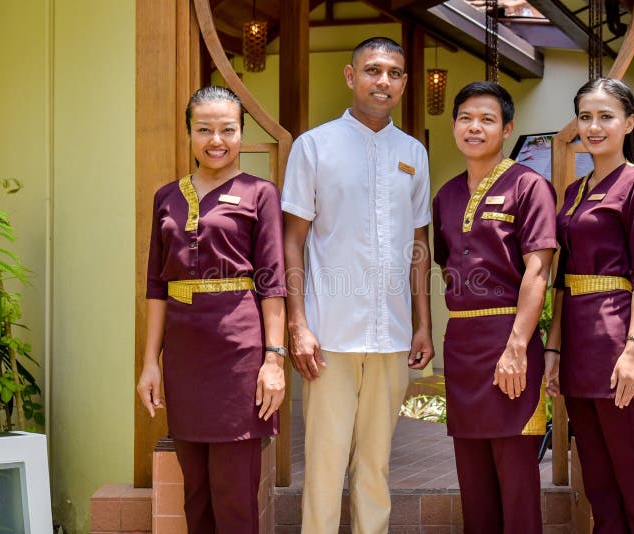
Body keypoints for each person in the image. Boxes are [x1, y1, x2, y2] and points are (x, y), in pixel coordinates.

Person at [281, 37, 434, 534]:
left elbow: (419, 246)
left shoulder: (413, 153)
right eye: (372, 70)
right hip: (329, 338)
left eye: (393, 73)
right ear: (351, 77)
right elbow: (292, 244)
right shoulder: (314, 146)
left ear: (404, 83)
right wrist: (297, 325)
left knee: (376, 466)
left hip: (391, 337)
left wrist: (423, 326)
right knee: (324, 467)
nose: (382, 81)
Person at [136, 86, 287, 534]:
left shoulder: (261, 194)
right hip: (184, 355)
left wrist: (273, 360)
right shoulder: (167, 196)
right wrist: (149, 364)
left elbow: (273, 283)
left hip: (240, 350)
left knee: (234, 489)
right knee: (195, 490)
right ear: (189, 134)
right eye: (204, 129)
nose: (215, 139)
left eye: (227, 129)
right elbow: (155, 286)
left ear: (241, 133)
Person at [544, 77, 634, 533]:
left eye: (606, 116)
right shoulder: (573, 192)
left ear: (629, 122)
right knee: (597, 477)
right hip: (577, 345)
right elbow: (561, 281)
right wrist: (553, 352)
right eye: (585, 117)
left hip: (618, 342)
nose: (594, 126)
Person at [432, 81, 557, 533]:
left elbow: (537, 272)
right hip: (462, 347)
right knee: (473, 479)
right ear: (453, 126)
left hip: (511, 344)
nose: (474, 127)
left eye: (487, 119)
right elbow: (447, 267)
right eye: (465, 118)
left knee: (516, 477)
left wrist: (518, 346)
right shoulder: (445, 196)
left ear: (507, 129)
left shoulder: (530, 186)